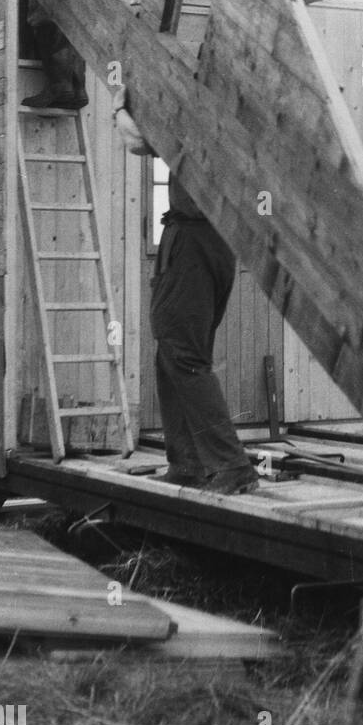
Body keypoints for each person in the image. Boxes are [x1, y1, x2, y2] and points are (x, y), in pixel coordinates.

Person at [111, 89, 258, 495]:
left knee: (182, 352)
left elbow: (135, 140)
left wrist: (119, 106)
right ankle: (188, 463)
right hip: (216, 244)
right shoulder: (232, 124)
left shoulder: (199, 119)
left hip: (192, 244)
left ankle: (231, 465)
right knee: (174, 356)